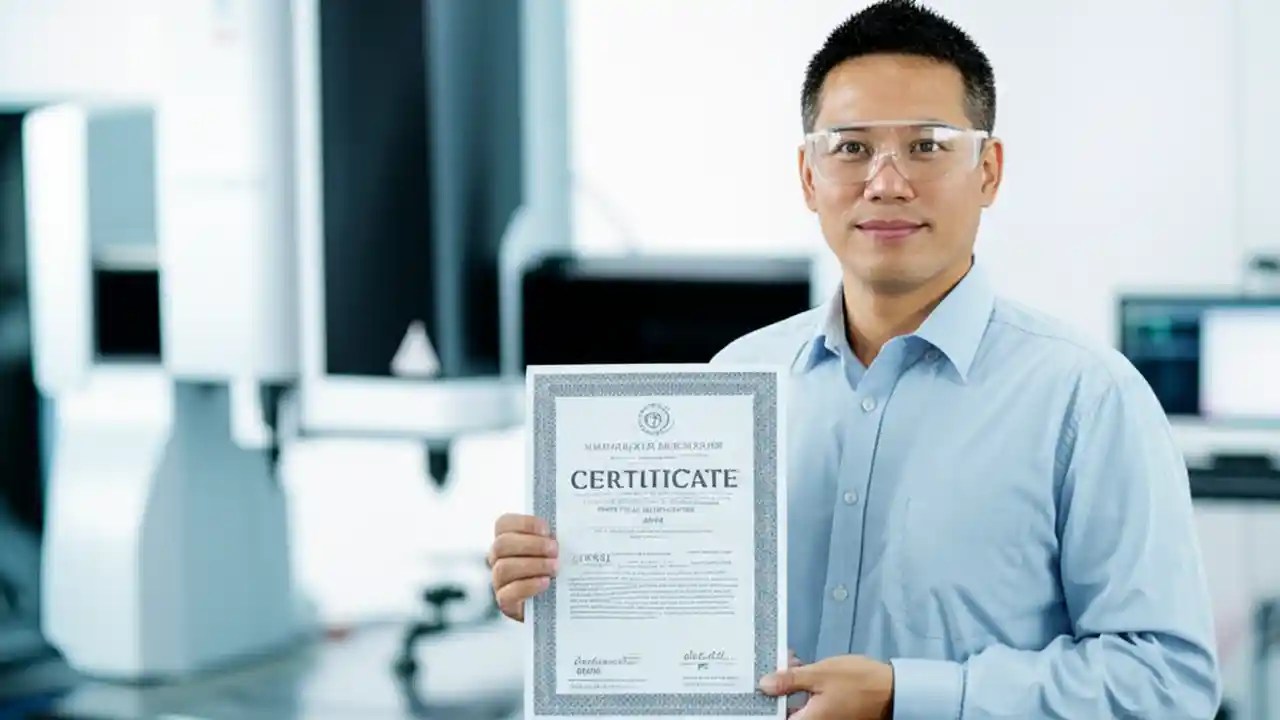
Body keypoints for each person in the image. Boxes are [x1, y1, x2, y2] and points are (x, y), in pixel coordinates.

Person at [489, 0, 1222, 717]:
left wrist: (911, 696)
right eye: (851, 147)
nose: (886, 181)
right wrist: (572, 595)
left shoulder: (1088, 400)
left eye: (928, 145)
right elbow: (682, 642)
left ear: (990, 171)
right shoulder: (735, 381)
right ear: (810, 177)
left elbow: (1167, 682)